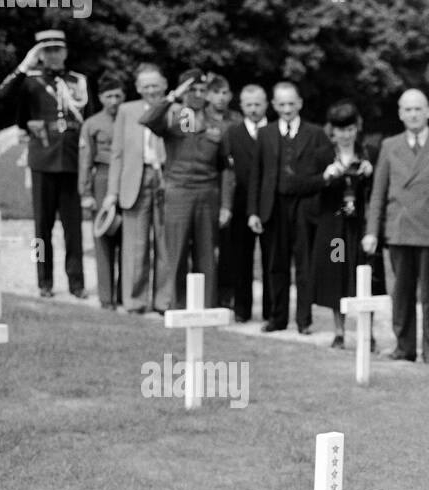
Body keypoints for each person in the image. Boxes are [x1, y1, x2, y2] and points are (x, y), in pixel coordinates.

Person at [363, 89, 429, 363]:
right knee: (402, 295)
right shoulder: (389, 146)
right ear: (400, 114)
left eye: (418, 109)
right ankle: (404, 348)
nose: (413, 114)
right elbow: (378, 193)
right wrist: (372, 231)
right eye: (408, 109)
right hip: (399, 231)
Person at [0, 30, 88, 299]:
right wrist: (26, 64)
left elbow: (89, 119)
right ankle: (44, 281)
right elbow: (4, 93)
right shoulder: (30, 81)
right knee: (41, 230)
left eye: (57, 49)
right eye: (46, 50)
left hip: (71, 161)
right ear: (40, 54)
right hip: (43, 160)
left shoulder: (78, 81)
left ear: (65, 52)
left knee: (74, 230)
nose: (53, 55)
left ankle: (77, 283)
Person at [142, 69, 233, 309]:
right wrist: (172, 97)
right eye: (193, 90)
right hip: (179, 191)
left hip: (207, 194)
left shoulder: (218, 125)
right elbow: (148, 119)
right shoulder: (173, 118)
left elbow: (226, 168)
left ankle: (206, 307)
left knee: (206, 255)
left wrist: (226, 205)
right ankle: (178, 306)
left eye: (203, 90)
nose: (198, 95)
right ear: (184, 91)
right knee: (177, 252)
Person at [247, 82, 334, 333]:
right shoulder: (266, 134)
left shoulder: (315, 133)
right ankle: (277, 317)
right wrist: (254, 211)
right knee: (275, 264)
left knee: (305, 265)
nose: (286, 109)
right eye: (281, 104)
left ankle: (304, 320)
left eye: (291, 104)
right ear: (274, 106)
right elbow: (257, 175)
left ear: (299, 104)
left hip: (305, 207)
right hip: (274, 206)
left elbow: (327, 171)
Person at [312, 101, 384, 349]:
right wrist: (327, 176)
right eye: (340, 130)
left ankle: (369, 333)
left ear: (357, 127)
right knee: (337, 274)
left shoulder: (370, 152)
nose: (345, 135)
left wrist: (370, 172)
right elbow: (304, 185)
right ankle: (339, 331)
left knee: (368, 276)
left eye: (350, 129)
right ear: (332, 130)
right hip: (335, 229)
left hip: (362, 227)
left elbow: (381, 187)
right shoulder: (322, 155)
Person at [105, 63, 169, 313]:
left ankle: (164, 301)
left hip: (165, 178)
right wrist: (112, 192)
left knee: (166, 243)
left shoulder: (177, 110)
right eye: (146, 86)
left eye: (155, 85)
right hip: (136, 179)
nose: (151, 90)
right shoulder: (126, 111)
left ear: (164, 84)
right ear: (138, 88)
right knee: (136, 244)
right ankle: (135, 300)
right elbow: (117, 153)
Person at [221, 84, 269, 322]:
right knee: (240, 258)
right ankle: (242, 309)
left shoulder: (274, 131)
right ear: (241, 106)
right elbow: (226, 171)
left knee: (271, 258)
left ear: (266, 104)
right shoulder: (232, 133)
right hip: (240, 202)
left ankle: (272, 310)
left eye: (257, 104)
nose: (253, 109)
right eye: (248, 105)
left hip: (270, 203)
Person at [78, 73, 124, 310]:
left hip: (128, 180)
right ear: (101, 98)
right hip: (103, 178)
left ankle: (124, 294)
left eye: (118, 95)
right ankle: (106, 297)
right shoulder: (92, 123)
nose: (114, 101)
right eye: (109, 96)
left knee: (127, 239)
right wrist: (85, 193)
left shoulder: (131, 119)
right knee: (104, 238)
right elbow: (85, 159)